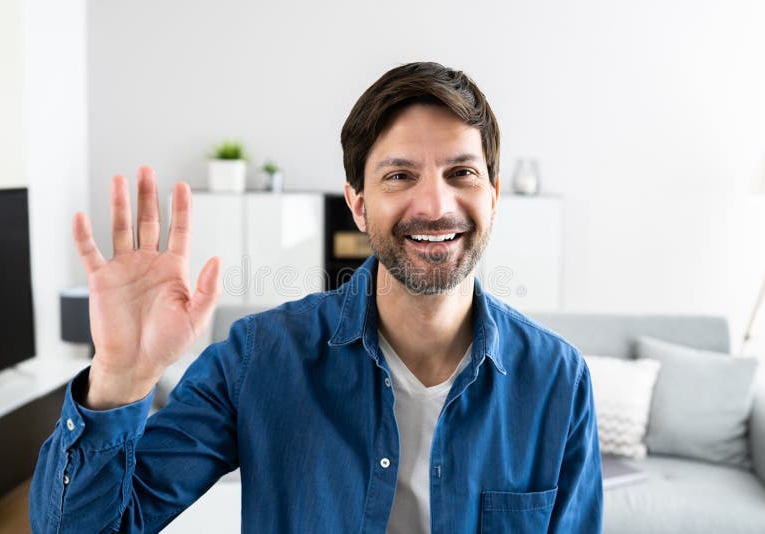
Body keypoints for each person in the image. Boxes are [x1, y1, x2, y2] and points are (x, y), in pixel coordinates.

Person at [29, 61, 602, 533]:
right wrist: (118, 379)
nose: (435, 205)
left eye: (461, 173)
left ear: (494, 195)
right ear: (357, 204)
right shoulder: (259, 358)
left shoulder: (558, 379)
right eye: (400, 176)